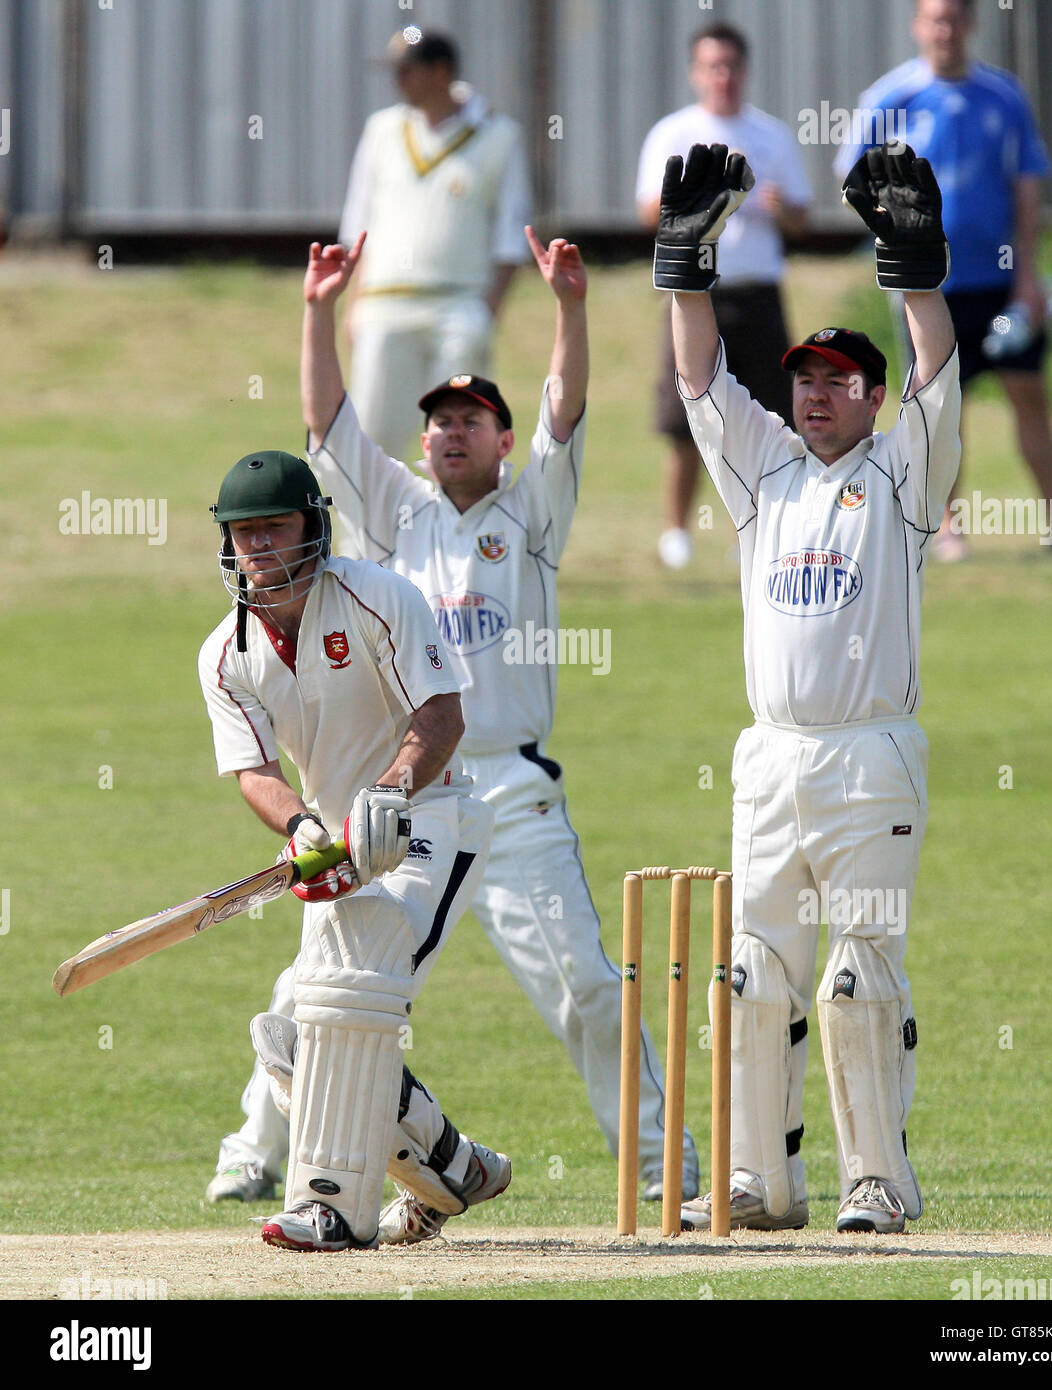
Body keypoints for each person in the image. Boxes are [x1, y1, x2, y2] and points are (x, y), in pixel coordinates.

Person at [206, 217, 703, 1235]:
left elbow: (568, 409)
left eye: (472, 418)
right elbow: (332, 429)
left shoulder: (531, 512)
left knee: (583, 989)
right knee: (321, 991)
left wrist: (568, 306)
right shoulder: (400, 516)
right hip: (391, 791)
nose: (449, 430)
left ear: (502, 440)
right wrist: (319, 312)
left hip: (508, 793)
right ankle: (266, 1156)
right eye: (437, 420)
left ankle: (666, 1170)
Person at [654, 141, 960, 1233]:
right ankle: (756, 1180)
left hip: (870, 755)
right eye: (804, 380)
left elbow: (934, 366)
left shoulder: (899, 474)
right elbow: (697, 379)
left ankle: (875, 1178)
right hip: (769, 757)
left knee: (857, 976)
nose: (816, 394)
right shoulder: (764, 471)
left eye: (837, 381)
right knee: (749, 975)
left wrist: (912, 263)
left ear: (872, 397)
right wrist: (681, 266)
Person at [198, 446, 509, 1251]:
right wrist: (300, 824)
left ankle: (331, 1208)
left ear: (313, 527)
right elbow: (253, 771)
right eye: (243, 533)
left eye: (275, 527)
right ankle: (455, 1166)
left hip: (428, 823)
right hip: (334, 844)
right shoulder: (225, 652)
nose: (258, 547)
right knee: (291, 1033)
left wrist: (393, 788)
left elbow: (440, 713)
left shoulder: (378, 596)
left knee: (350, 1001)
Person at [836, 0, 1052, 560]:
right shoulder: (893, 97)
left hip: (1002, 284)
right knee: (940, 402)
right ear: (918, 26)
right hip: (929, 288)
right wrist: (896, 243)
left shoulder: (1003, 96)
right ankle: (945, 527)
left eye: (955, 18)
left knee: (1028, 390)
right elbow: (854, 183)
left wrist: (1027, 276)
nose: (945, 29)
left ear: (971, 24)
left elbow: (1028, 184)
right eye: (934, 18)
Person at [635, 21, 811, 570]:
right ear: (696, 72)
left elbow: (803, 218)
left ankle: (756, 528)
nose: (724, 77)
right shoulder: (673, 132)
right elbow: (647, 212)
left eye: (732, 66)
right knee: (687, 414)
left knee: (769, 416)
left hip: (757, 292)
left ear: (745, 70)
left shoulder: (771, 134)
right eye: (713, 66)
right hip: (694, 295)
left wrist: (780, 208)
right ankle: (677, 531)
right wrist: (692, 209)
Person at [338, 27, 531, 462]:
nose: (398, 81)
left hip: (458, 306)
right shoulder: (382, 131)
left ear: (441, 71)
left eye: (407, 70)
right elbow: (358, 227)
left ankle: (460, 530)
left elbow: (511, 235)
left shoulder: (498, 135)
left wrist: (487, 310)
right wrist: (354, 308)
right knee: (371, 437)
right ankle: (367, 533)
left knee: (462, 440)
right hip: (384, 305)